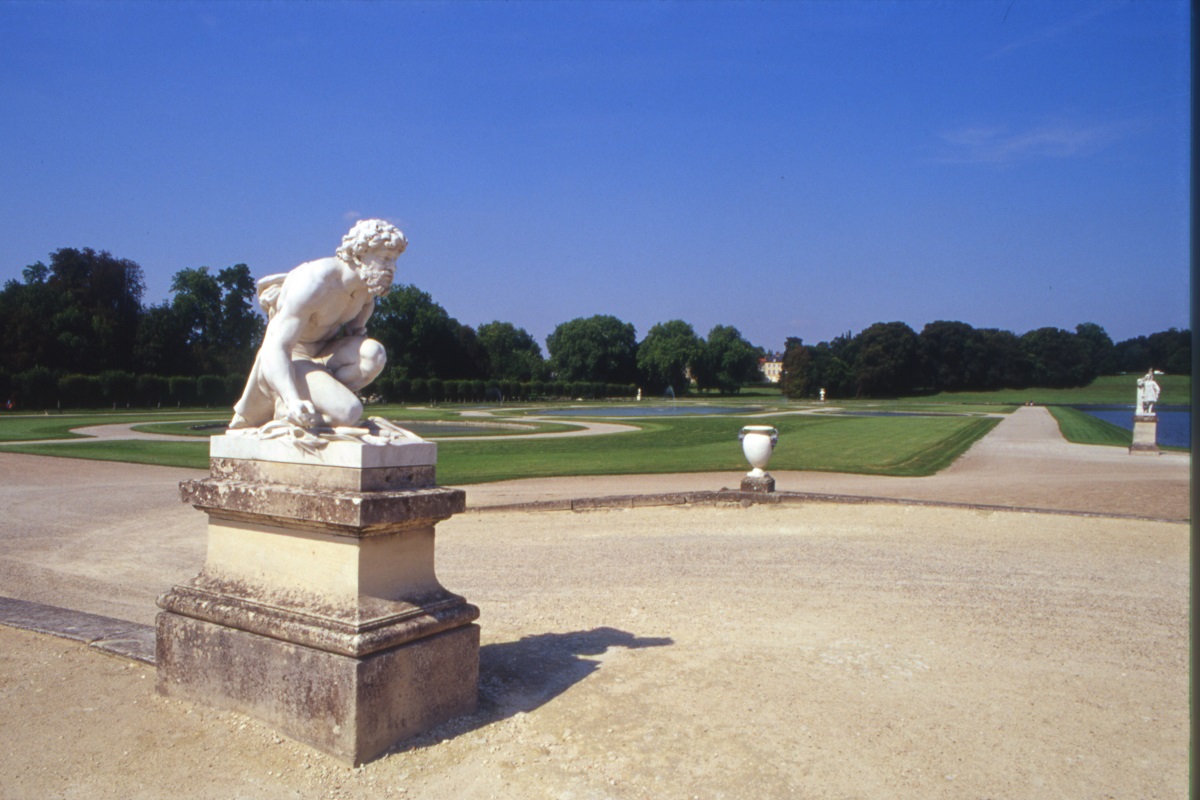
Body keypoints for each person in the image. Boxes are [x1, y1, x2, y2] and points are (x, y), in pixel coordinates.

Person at [229, 219, 407, 430]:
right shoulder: (315, 282)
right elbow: (275, 348)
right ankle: (288, 408)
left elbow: (354, 337)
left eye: (394, 261)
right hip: (293, 360)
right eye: (385, 259)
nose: (392, 269)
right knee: (350, 412)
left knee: (374, 354)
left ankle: (323, 398)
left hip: (325, 357)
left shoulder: (365, 293)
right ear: (360, 256)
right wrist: (291, 399)